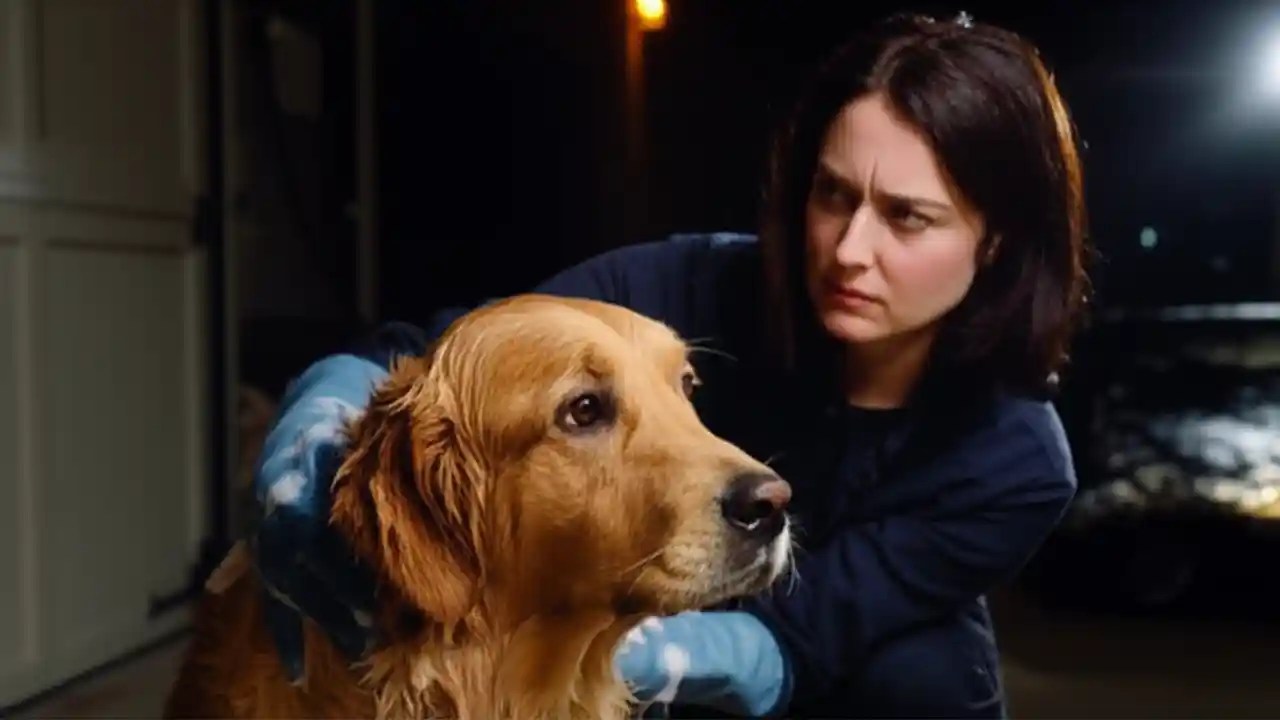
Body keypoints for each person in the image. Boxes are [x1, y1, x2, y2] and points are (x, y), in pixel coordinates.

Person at [248, 11, 1091, 719]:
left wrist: (643, 661)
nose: (847, 250)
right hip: (638, 594)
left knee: (929, 678)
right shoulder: (685, 284)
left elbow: (802, 636)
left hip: (820, 645)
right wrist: (322, 409)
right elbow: (449, 359)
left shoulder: (1016, 464)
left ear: (998, 241)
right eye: (833, 195)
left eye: (907, 218)